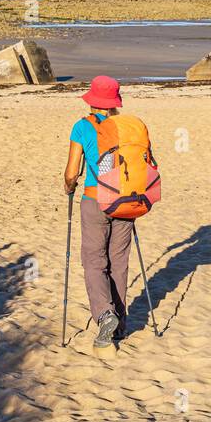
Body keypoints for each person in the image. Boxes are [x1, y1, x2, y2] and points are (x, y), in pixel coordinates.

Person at [63, 75, 151, 351]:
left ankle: (104, 314)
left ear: (91, 100)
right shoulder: (129, 128)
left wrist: (68, 188)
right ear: (114, 102)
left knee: (93, 260)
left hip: (95, 200)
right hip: (127, 200)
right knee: (119, 261)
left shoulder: (82, 127)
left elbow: (70, 172)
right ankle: (120, 324)